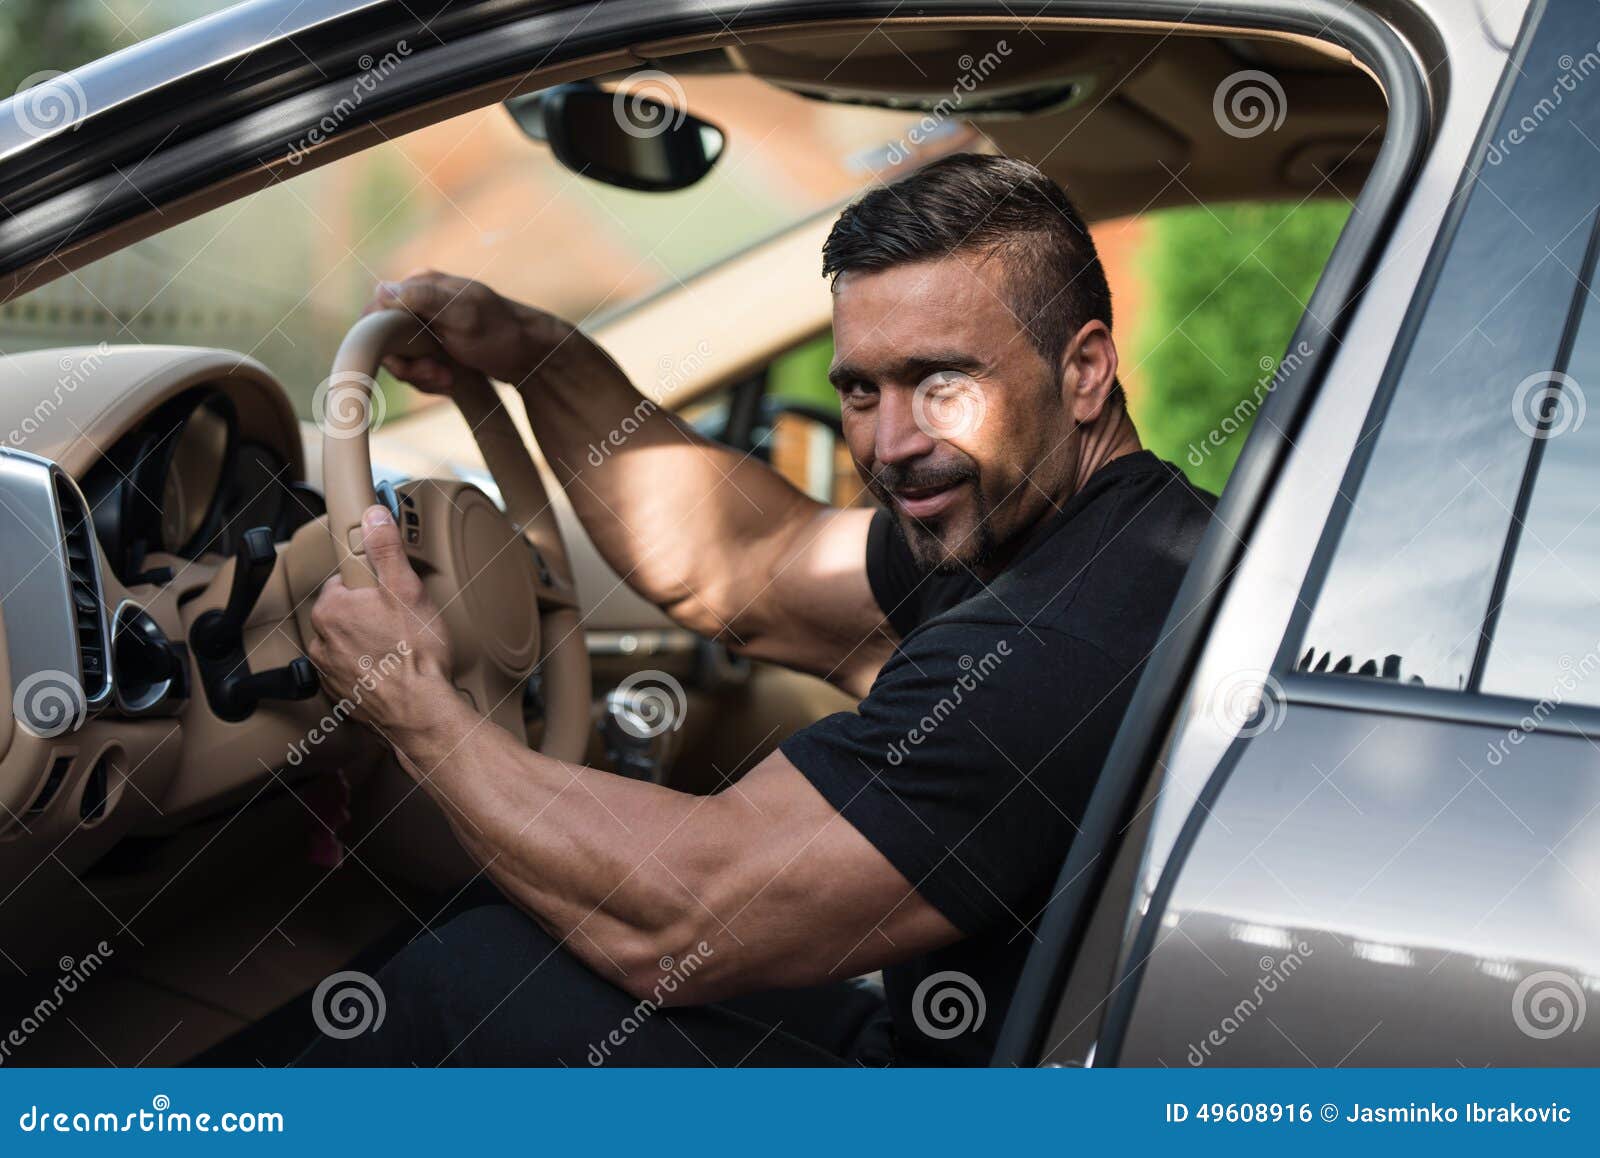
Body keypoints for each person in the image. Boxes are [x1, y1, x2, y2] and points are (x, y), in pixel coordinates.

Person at [300, 153, 1215, 1066]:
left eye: (941, 383)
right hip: (958, 1041)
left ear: (1086, 370)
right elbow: (749, 562)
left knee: (465, 987)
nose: (891, 445)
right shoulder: (1054, 525)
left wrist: (415, 706)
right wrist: (534, 353)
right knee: (504, 937)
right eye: (861, 389)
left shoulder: (1057, 639)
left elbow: (681, 922)